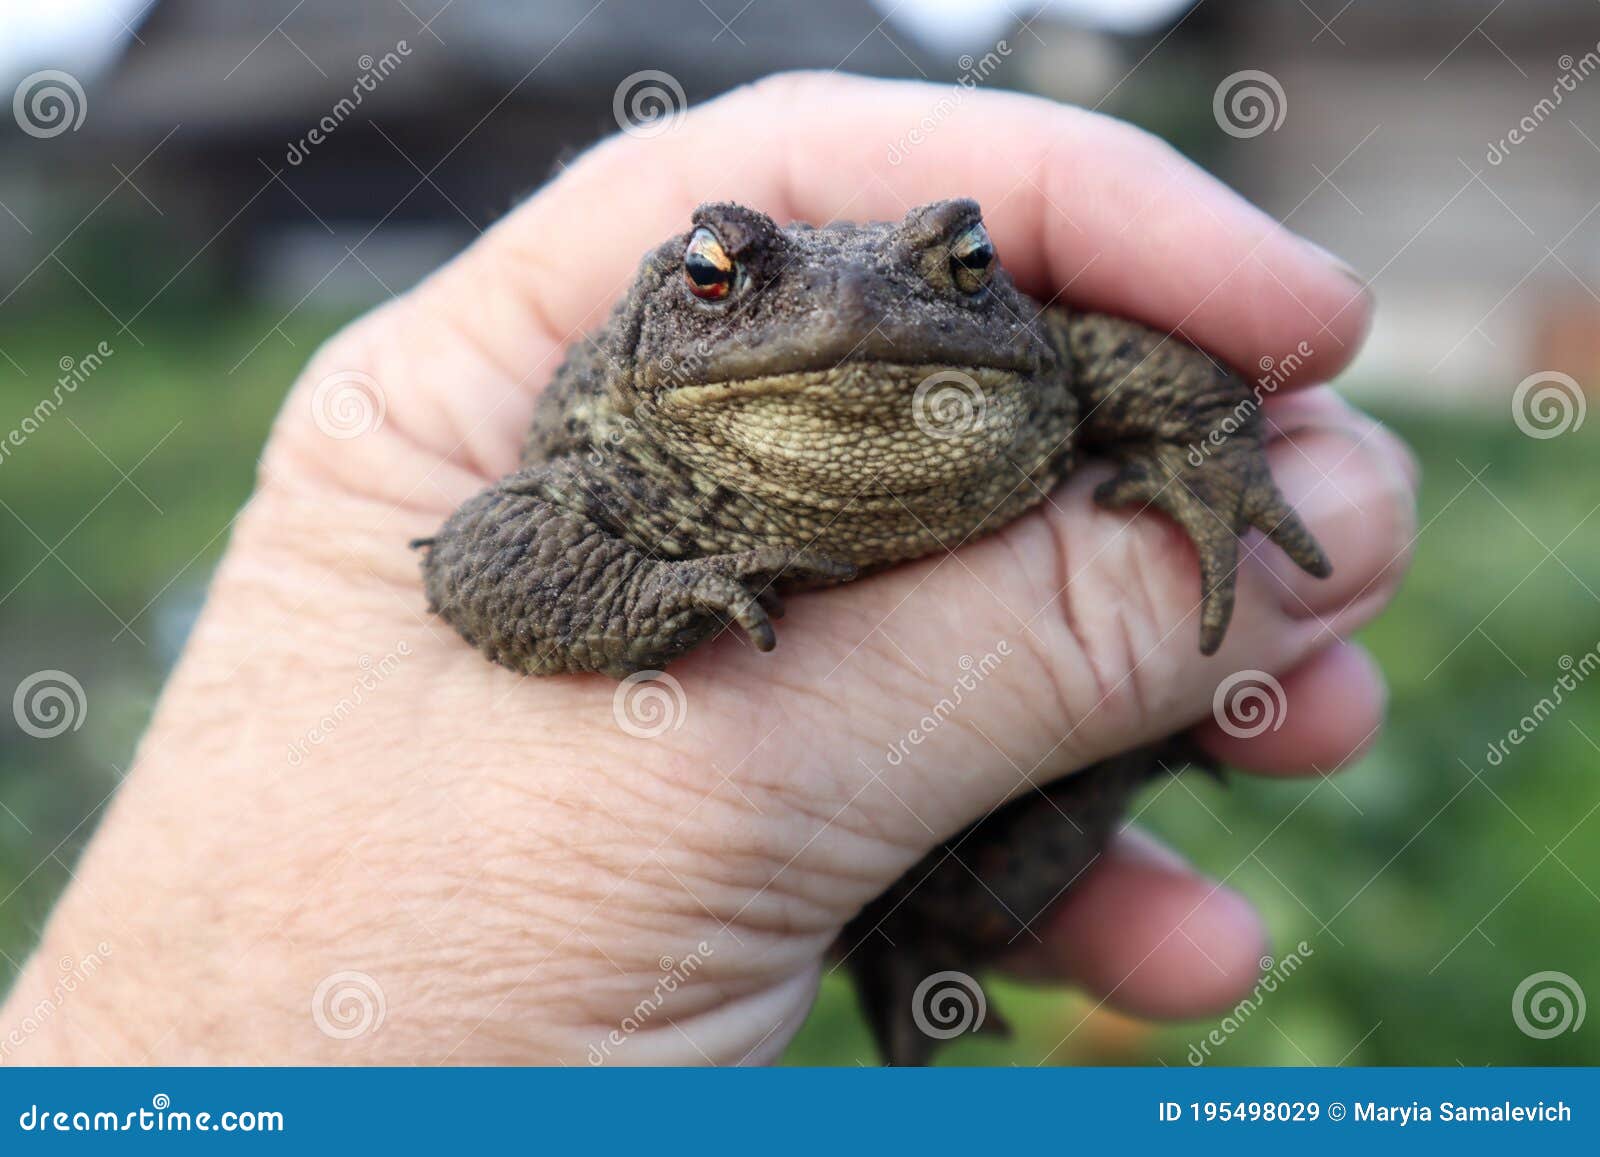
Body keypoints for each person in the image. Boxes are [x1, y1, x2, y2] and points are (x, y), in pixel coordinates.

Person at [1, 73, 1416, 1065]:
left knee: (1005, 892)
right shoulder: (633, 447)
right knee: (971, 908)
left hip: (1015, 759)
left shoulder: (1043, 357)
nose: (856, 306)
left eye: (955, 259)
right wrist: (652, 593)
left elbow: (1193, 385)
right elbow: (490, 556)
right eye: (730, 278)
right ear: (678, 306)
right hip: (749, 578)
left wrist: (1212, 458)